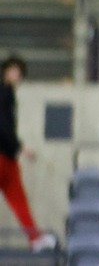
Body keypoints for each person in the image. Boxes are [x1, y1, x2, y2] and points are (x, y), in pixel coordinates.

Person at [1, 55, 56, 251]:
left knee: (19, 200)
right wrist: (20, 147)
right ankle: (35, 238)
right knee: (19, 199)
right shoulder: (3, 93)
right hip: (3, 156)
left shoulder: (9, 94)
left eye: (19, 72)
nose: (16, 75)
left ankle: (35, 239)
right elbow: (3, 126)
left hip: (8, 158)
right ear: (5, 71)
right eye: (13, 71)